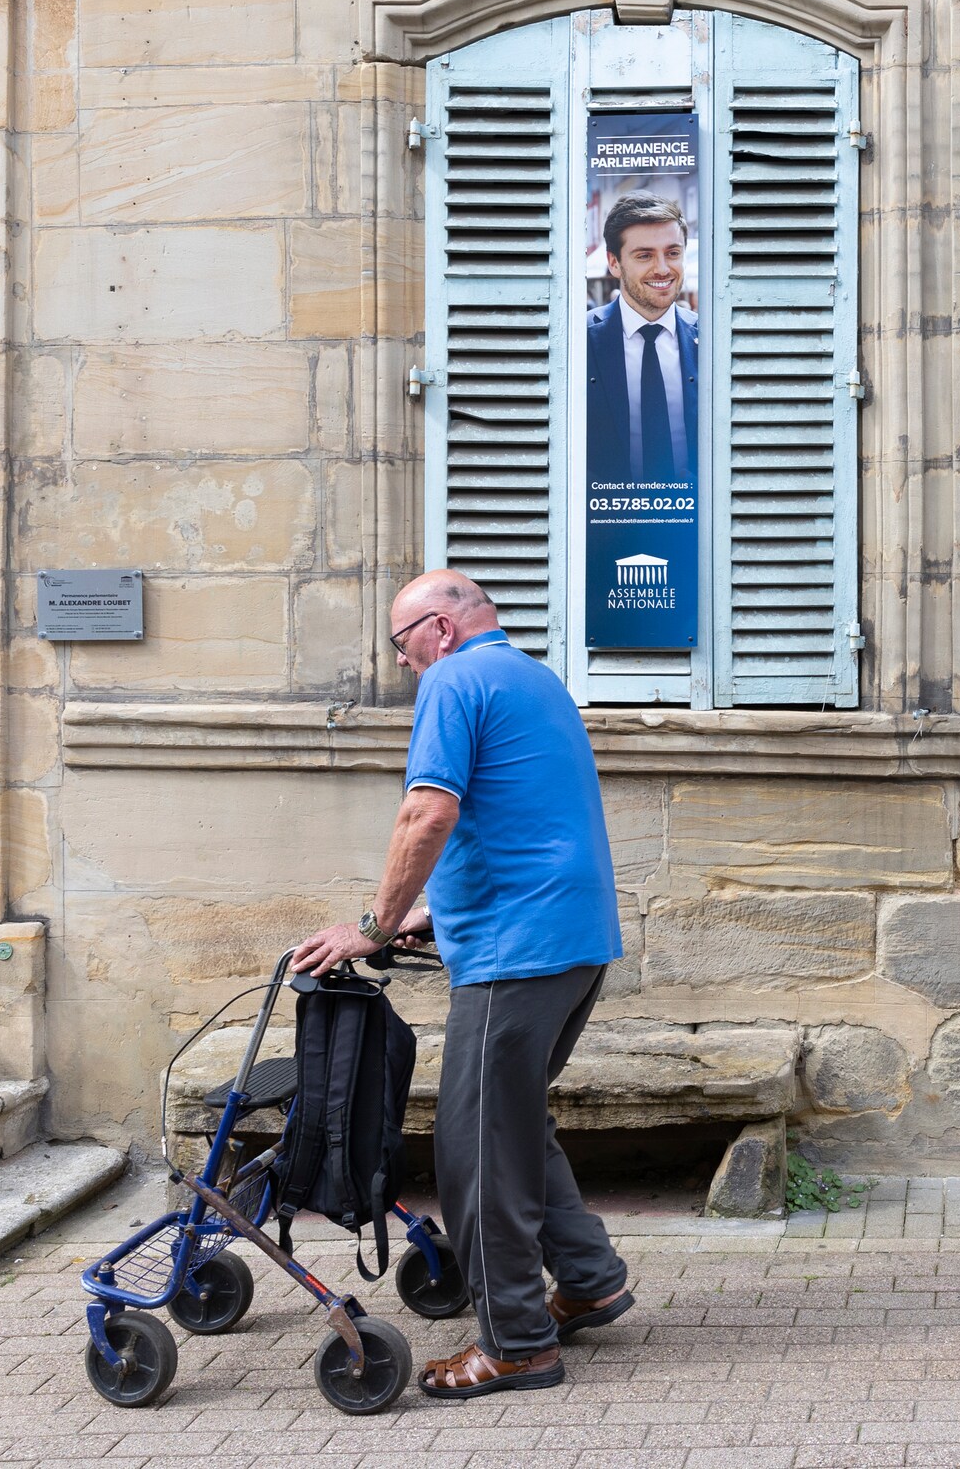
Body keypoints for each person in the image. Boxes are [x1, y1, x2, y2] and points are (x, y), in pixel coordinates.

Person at [290, 571, 632, 1399]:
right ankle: (587, 1278)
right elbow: (523, 818)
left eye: (403, 646)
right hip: (573, 941)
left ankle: (515, 1343)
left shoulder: (453, 679)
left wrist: (371, 926)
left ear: (439, 630)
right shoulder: (533, 678)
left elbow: (428, 814)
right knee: (510, 1125)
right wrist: (431, 917)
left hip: (518, 955)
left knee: (475, 1150)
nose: (405, 665)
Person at [587, 193, 700, 487]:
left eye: (673, 253)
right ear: (614, 263)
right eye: (644, 255)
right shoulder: (579, 342)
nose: (662, 268)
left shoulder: (713, 341)